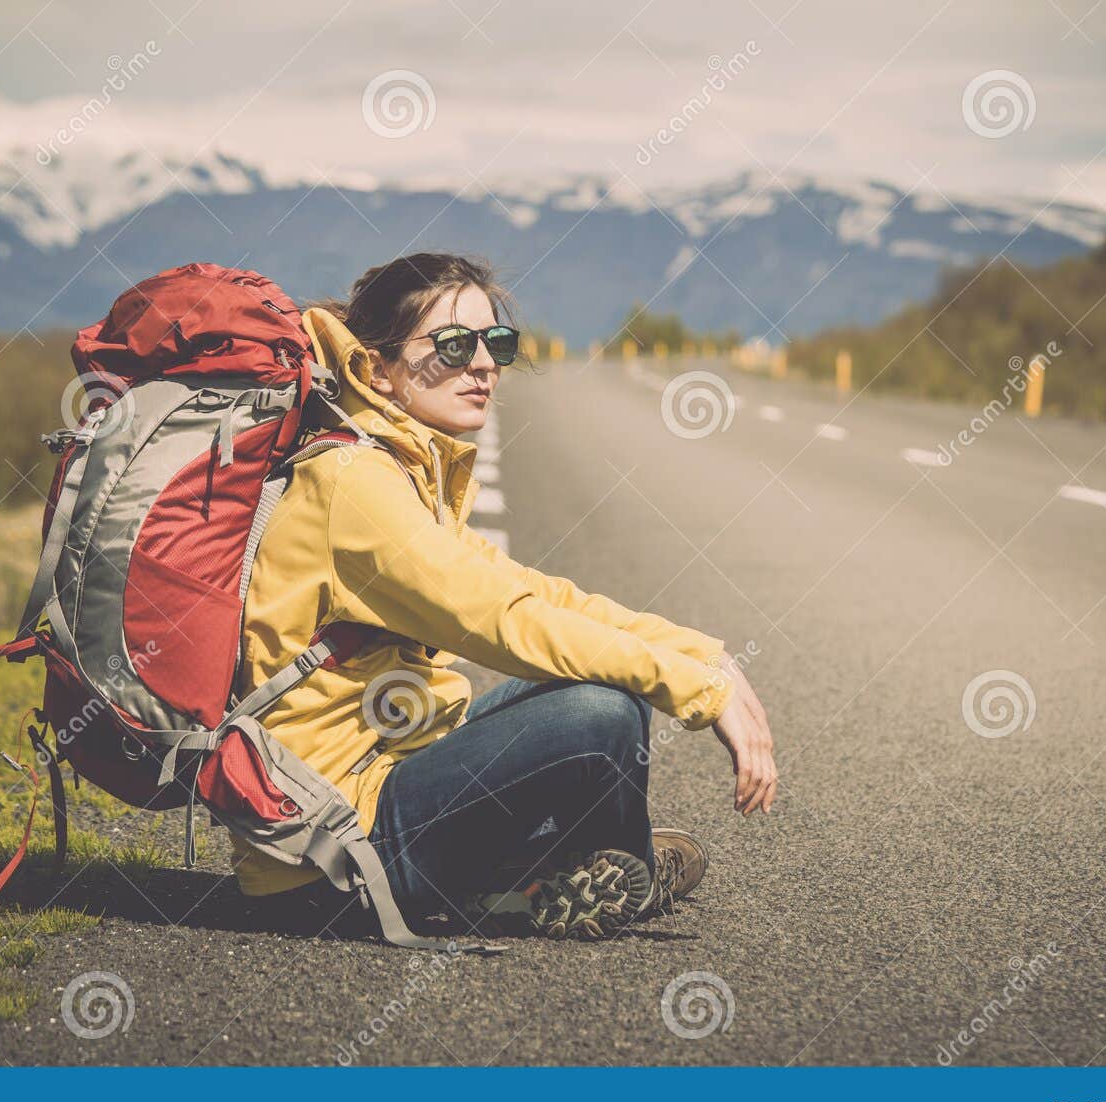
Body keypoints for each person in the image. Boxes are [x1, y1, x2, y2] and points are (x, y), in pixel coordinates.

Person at [229, 252, 778, 939]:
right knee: (599, 714)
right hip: (336, 850)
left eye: (497, 343)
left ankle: (554, 873)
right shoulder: (353, 485)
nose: (485, 364)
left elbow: (532, 590)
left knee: (608, 691)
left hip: (384, 790)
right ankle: (599, 872)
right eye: (455, 346)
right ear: (377, 369)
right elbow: (502, 620)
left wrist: (704, 655)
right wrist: (699, 693)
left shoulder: (394, 466)